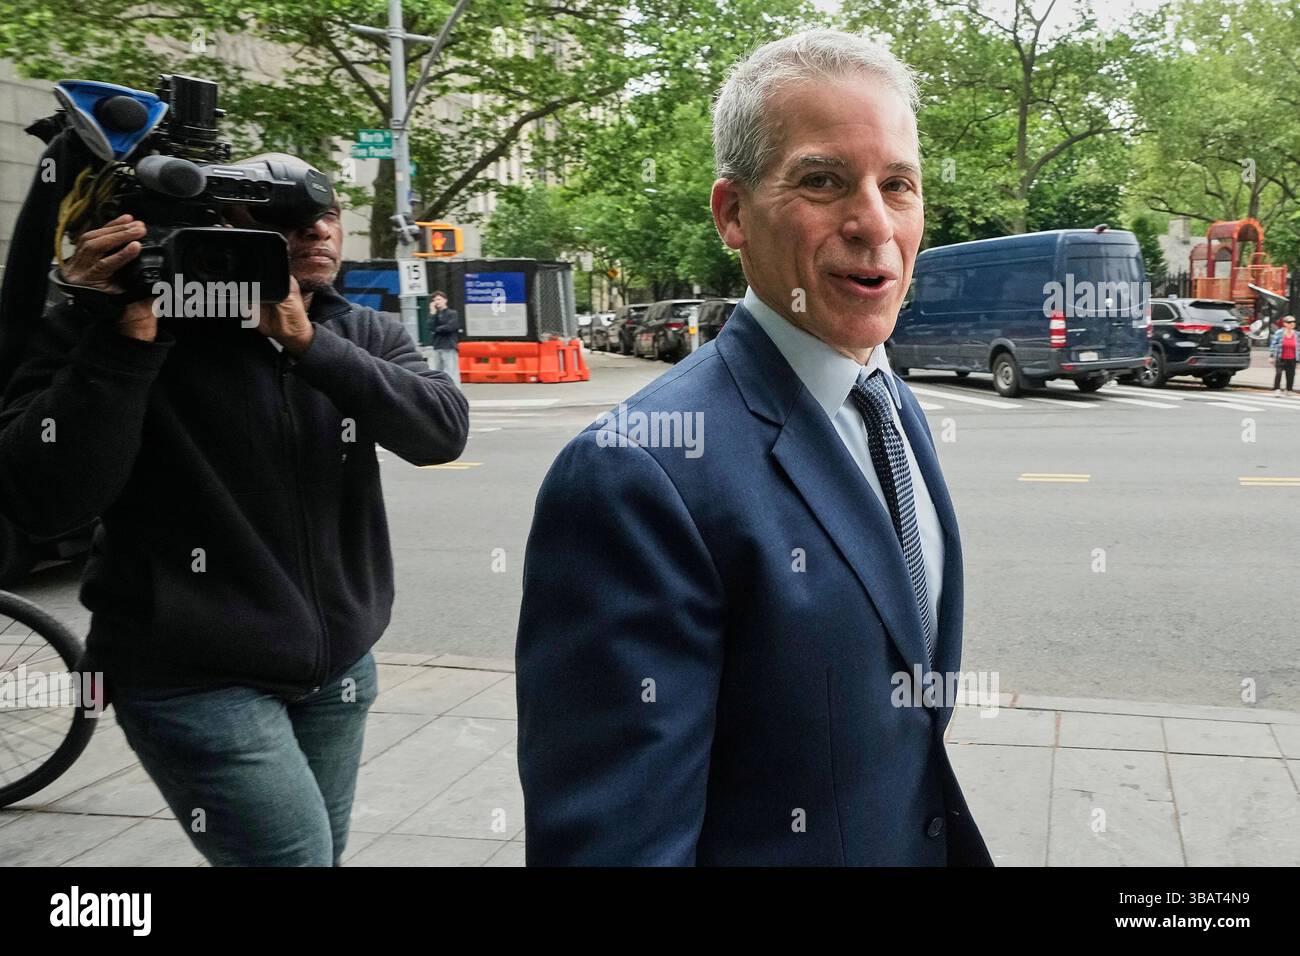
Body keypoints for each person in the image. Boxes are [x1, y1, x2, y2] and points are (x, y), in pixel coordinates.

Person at [515, 29, 992, 866]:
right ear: (733, 212)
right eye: (823, 180)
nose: (874, 223)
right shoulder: (636, 474)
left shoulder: (889, 399)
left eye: (898, 184)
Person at [0, 153, 469, 866]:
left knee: (318, 857)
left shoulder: (359, 331)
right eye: (284, 217)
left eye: (329, 213)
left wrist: (306, 342)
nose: (316, 228)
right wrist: (120, 340)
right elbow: (46, 500)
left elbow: (440, 432)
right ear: (219, 224)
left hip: (339, 669)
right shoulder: (122, 327)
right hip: (192, 678)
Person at [430, 290, 464, 386]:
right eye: (435, 300)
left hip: (449, 345)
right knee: (437, 371)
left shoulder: (452, 313)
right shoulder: (434, 315)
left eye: (439, 299)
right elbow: (429, 326)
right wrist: (432, 314)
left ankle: (455, 391)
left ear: (445, 300)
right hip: (437, 345)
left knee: (451, 371)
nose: (437, 302)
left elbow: (450, 327)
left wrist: (436, 329)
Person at [1270, 314, 1297, 395]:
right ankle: (1277, 389)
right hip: (1280, 357)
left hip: (1292, 358)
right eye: (1289, 322)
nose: (1292, 323)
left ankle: (1289, 390)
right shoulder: (1279, 333)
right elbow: (1273, 345)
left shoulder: (1297, 334)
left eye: (1293, 322)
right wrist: (1271, 356)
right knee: (1278, 373)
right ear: (1285, 324)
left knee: (1291, 374)